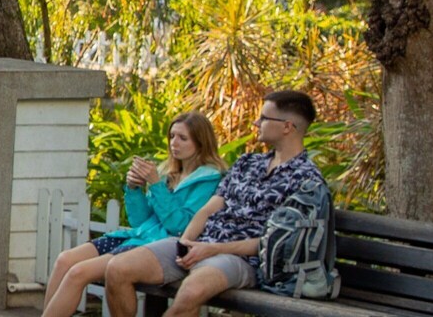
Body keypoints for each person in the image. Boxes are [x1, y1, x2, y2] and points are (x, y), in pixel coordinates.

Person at [102, 91, 325, 317]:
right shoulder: (248, 163)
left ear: (287, 127)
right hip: (198, 244)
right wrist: (186, 242)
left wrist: (211, 249)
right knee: (117, 269)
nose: (257, 122)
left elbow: (273, 242)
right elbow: (209, 208)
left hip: (239, 258)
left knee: (190, 292)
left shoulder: (306, 181)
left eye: (265, 118)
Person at [42, 112, 226, 316]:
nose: (175, 143)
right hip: (137, 237)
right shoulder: (168, 174)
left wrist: (156, 185)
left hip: (159, 245)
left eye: (183, 138)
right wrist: (134, 189)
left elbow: (180, 226)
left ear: (201, 143)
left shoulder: (209, 179)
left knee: (78, 273)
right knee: (64, 260)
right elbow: (140, 220)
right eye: (172, 136)